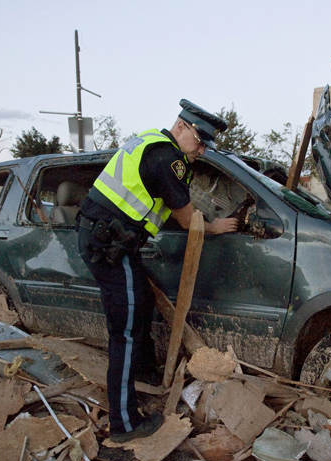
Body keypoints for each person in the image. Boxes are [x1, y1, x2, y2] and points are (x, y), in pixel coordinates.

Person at [78, 100, 238, 443]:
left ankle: (145, 372)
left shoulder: (150, 141)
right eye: (200, 140)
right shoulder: (169, 160)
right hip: (110, 247)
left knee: (141, 306)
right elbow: (186, 219)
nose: (203, 149)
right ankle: (124, 424)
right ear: (181, 127)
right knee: (125, 332)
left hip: (108, 241)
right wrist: (215, 226)